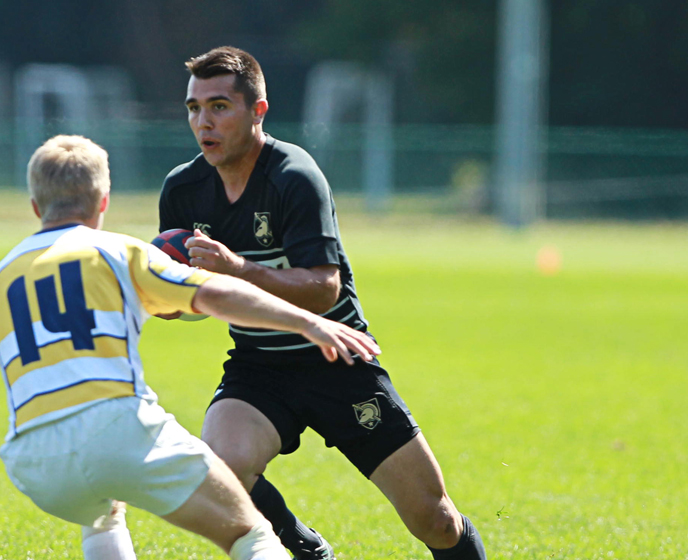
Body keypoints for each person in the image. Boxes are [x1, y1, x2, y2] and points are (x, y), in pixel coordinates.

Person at [0, 134, 382, 560]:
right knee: (250, 532)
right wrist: (309, 324)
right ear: (103, 202)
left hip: (33, 461)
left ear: (35, 207)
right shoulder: (119, 251)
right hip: (119, 430)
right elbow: (217, 292)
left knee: (101, 516)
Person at [156, 47, 488, 560]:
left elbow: (323, 287)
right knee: (222, 469)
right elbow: (189, 298)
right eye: (194, 108)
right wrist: (164, 297)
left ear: (257, 111)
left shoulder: (294, 176)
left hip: (337, 359)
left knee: (436, 519)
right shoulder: (183, 189)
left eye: (220, 106)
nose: (204, 122)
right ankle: (306, 550)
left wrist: (237, 268)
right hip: (258, 366)